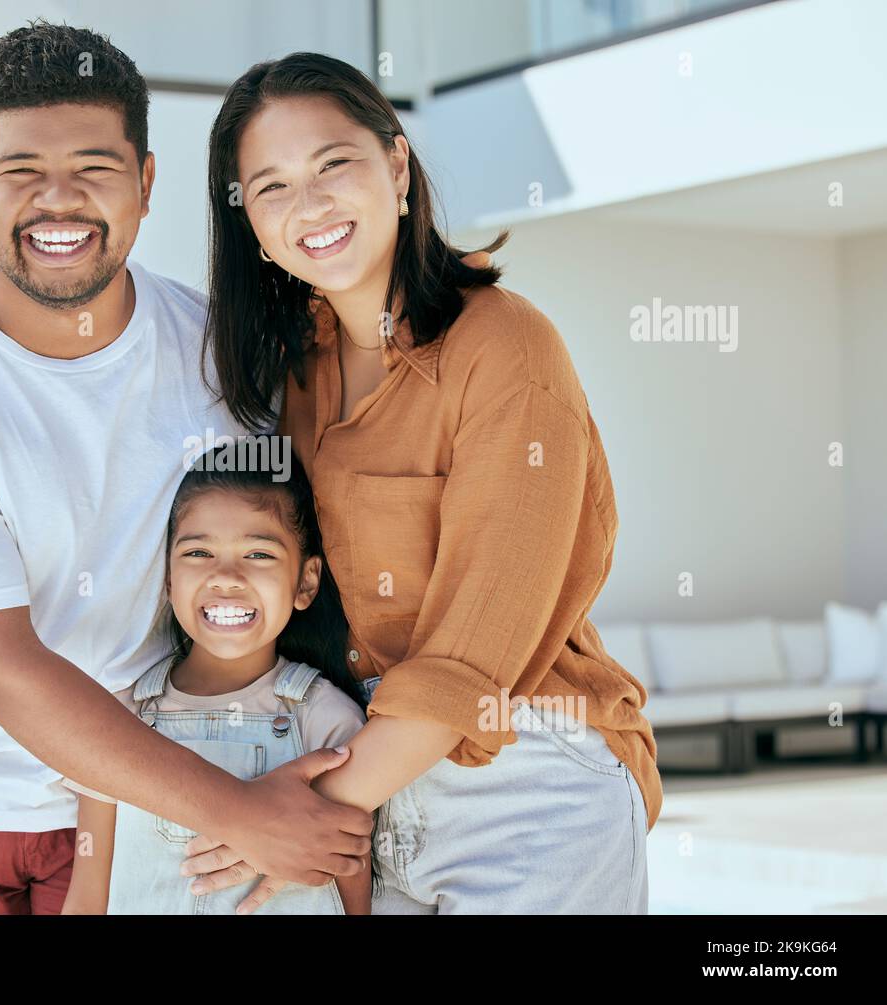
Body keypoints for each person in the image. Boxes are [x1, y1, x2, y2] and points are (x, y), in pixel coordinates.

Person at [0, 22, 373, 915]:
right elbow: (3, 669)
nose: (58, 202)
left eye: (94, 170)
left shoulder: (219, 358)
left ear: (146, 184)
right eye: (21, 172)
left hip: (141, 798)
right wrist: (240, 809)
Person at [182, 52, 662, 914]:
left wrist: (292, 821)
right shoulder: (293, 373)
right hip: (367, 789)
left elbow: (470, 661)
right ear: (249, 222)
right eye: (272, 187)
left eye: (335, 165)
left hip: (524, 785)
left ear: (397, 167)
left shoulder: (506, 349)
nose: (312, 205)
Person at [60, 447, 375, 914]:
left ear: (306, 583)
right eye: (199, 552)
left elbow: (352, 892)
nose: (226, 577)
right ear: (168, 578)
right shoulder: (119, 719)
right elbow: (89, 891)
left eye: (258, 553)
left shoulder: (325, 721)